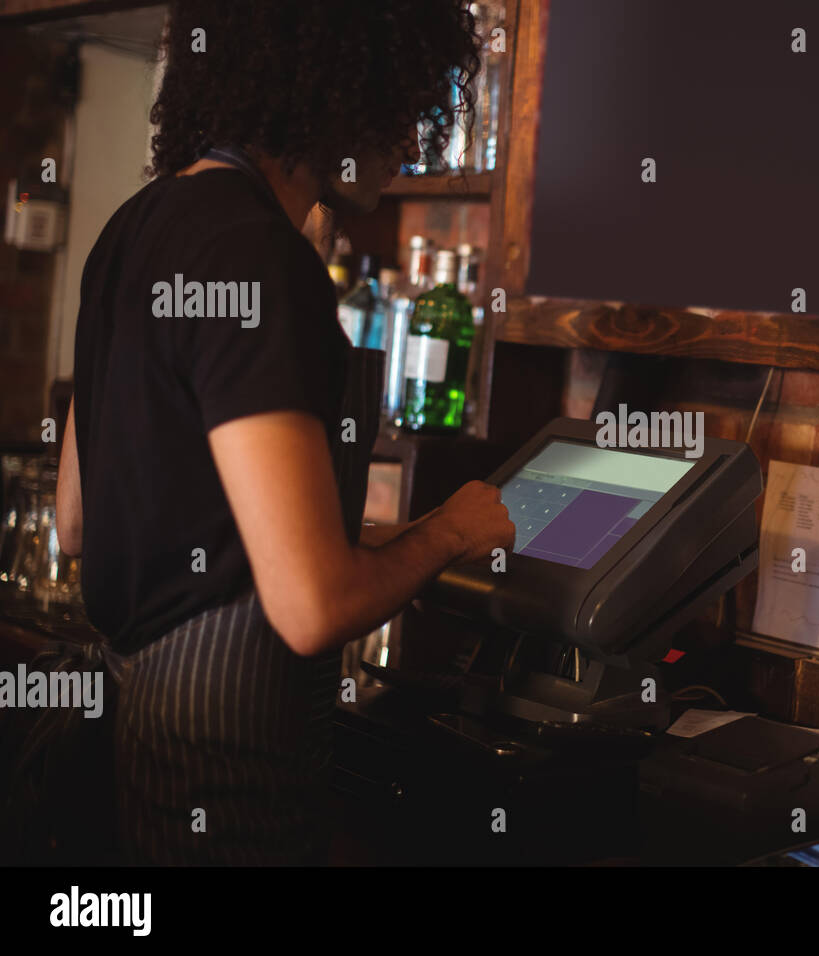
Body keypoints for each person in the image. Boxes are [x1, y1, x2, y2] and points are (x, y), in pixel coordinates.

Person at [46, 0, 514, 864]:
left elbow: (79, 523)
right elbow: (310, 608)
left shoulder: (131, 230)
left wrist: (398, 538)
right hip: (225, 766)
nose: (409, 136)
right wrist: (452, 529)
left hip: (129, 733)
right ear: (340, 83)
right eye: (402, 99)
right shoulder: (260, 256)